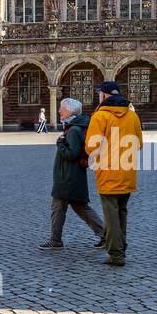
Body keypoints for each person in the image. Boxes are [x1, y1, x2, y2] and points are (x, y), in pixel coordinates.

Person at [85, 81, 144, 267]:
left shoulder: (99, 116)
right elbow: (139, 144)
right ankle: (121, 247)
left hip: (108, 172)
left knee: (110, 217)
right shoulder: (133, 116)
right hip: (127, 171)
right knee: (121, 213)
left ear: (104, 95)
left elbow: (91, 146)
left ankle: (116, 255)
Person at [39, 97, 106, 252]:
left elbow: (71, 154)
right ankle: (105, 235)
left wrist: (60, 143)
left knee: (58, 207)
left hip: (67, 176)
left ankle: (55, 241)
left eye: (61, 108)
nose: (59, 111)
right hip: (74, 175)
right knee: (81, 207)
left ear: (69, 111)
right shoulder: (77, 126)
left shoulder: (74, 130)